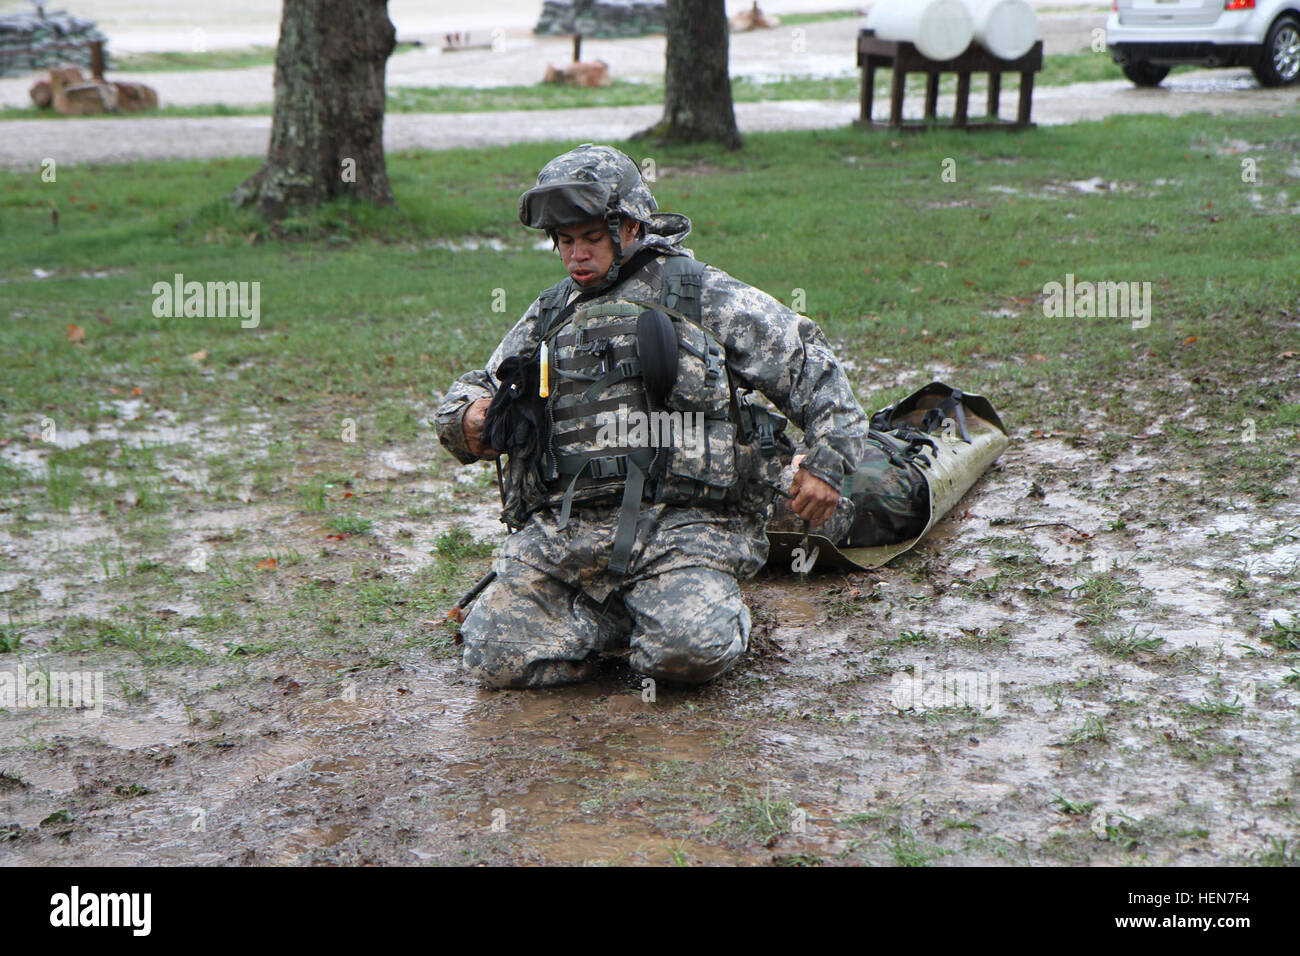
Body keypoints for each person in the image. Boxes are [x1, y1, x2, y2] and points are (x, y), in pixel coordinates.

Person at [434, 143, 923, 689]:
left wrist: (828, 464)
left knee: (687, 655)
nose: (577, 257)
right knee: (493, 657)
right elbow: (478, 385)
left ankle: (680, 611)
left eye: (591, 239)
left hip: (685, 526)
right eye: (565, 242)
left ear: (631, 228)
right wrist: (468, 418)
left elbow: (806, 360)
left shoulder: (698, 294)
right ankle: (622, 618)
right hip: (566, 535)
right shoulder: (551, 311)